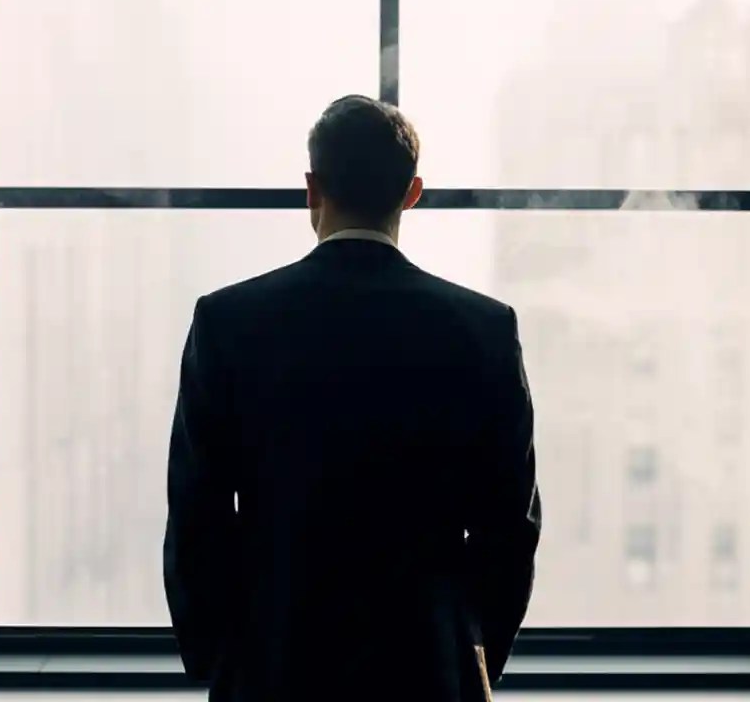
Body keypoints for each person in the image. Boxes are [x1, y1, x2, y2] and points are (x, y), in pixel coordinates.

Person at [164, 94, 541, 702]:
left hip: (275, 663)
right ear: (412, 192)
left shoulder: (229, 321)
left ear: (312, 188)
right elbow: (509, 524)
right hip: (425, 667)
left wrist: (219, 655)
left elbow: (197, 511)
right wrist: (472, 653)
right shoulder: (483, 328)